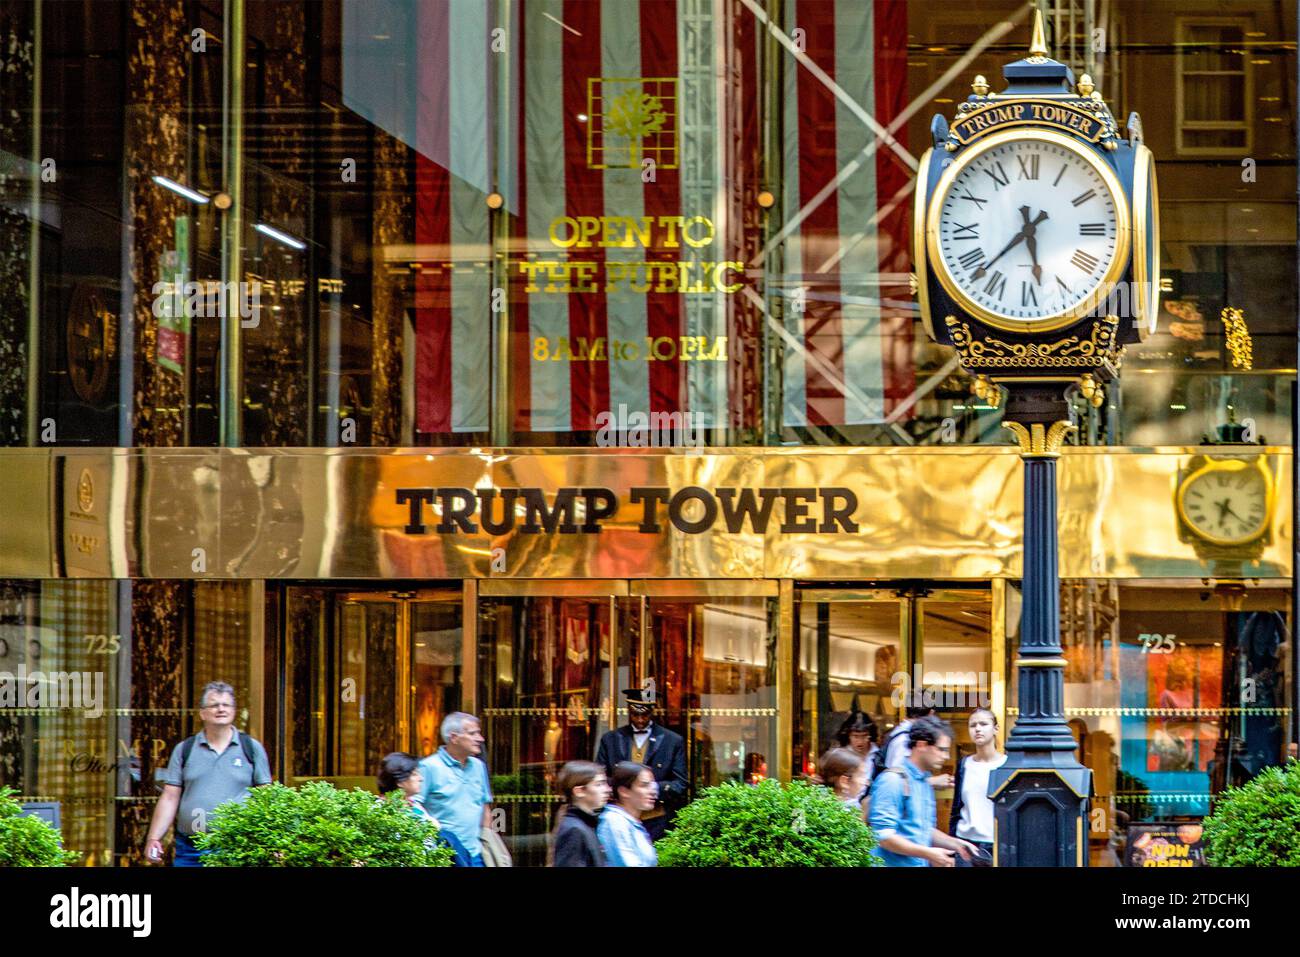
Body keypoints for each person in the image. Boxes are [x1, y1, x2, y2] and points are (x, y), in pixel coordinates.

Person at [145, 681, 272, 866]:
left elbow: (266, 796)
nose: (221, 709)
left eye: (226, 705)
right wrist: (153, 838)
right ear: (202, 713)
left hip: (238, 846)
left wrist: (272, 841)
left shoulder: (251, 748)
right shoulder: (184, 749)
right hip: (190, 847)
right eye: (214, 705)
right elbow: (170, 797)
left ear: (234, 711)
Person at [868, 716, 978, 867]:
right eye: (941, 750)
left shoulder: (923, 781)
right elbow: (883, 836)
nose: (945, 757)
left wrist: (955, 844)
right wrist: (928, 853)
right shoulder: (892, 780)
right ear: (921, 745)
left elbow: (924, 830)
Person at [595, 687, 687, 840]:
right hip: (619, 818)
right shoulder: (610, 739)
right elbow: (601, 778)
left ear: (652, 712)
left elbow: (680, 784)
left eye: (644, 715)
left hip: (657, 820)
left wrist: (650, 789)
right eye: (635, 714)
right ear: (628, 711)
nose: (639, 719)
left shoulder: (673, 741)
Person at [418, 712, 494, 866]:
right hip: (444, 854)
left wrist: (487, 842)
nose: (480, 738)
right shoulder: (429, 767)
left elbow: (485, 807)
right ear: (454, 738)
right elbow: (413, 806)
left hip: (476, 854)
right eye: (473, 733)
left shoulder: (478, 766)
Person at [378, 751, 473, 866]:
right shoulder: (381, 810)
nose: (421, 778)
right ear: (400, 782)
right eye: (415, 774)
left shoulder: (413, 805)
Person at [948, 708, 1005, 866]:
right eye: (973, 725)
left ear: (996, 729)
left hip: (997, 845)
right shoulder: (964, 765)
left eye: (983, 724)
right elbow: (956, 808)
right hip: (966, 844)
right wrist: (952, 845)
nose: (978, 729)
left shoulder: (1007, 765)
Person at [549, 760, 610, 867]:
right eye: (599, 784)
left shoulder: (585, 824)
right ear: (579, 791)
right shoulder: (574, 830)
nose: (607, 789)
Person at [598, 761, 659, 867]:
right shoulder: (614, 821)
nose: (653, 791)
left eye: (652, 785)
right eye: (644, 785)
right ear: (624, 791)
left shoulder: (630, 821)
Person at [878, 705, 954, 790]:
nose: (946, 756)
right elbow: (897, 783)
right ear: (931, 713)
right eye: (941, 749)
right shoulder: (904, 739)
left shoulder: (901, 734)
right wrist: (933, 782)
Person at [818, 747, 868, 818]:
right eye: (861, 775)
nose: (866, 782)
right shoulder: (852, 811)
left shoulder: (805, 802)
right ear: (844, 781)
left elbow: (798, 828)